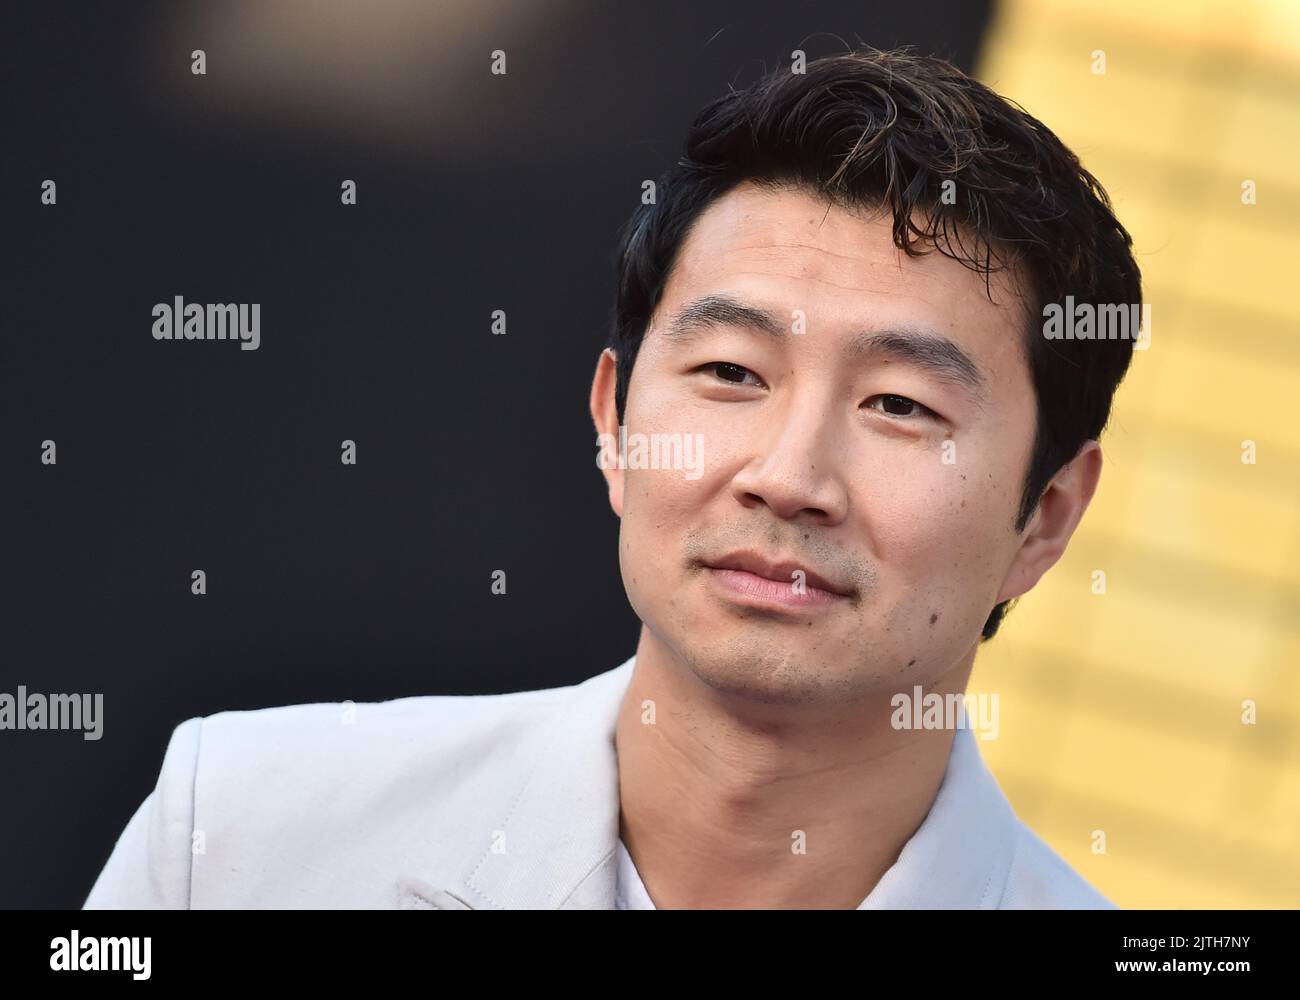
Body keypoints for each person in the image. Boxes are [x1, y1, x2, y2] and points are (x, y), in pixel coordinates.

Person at [85, 46, 1138, 909]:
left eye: (900, 406)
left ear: (1045, 518)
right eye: (731, 372)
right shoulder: (238, 837)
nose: (787, 477)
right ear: (613, 424)